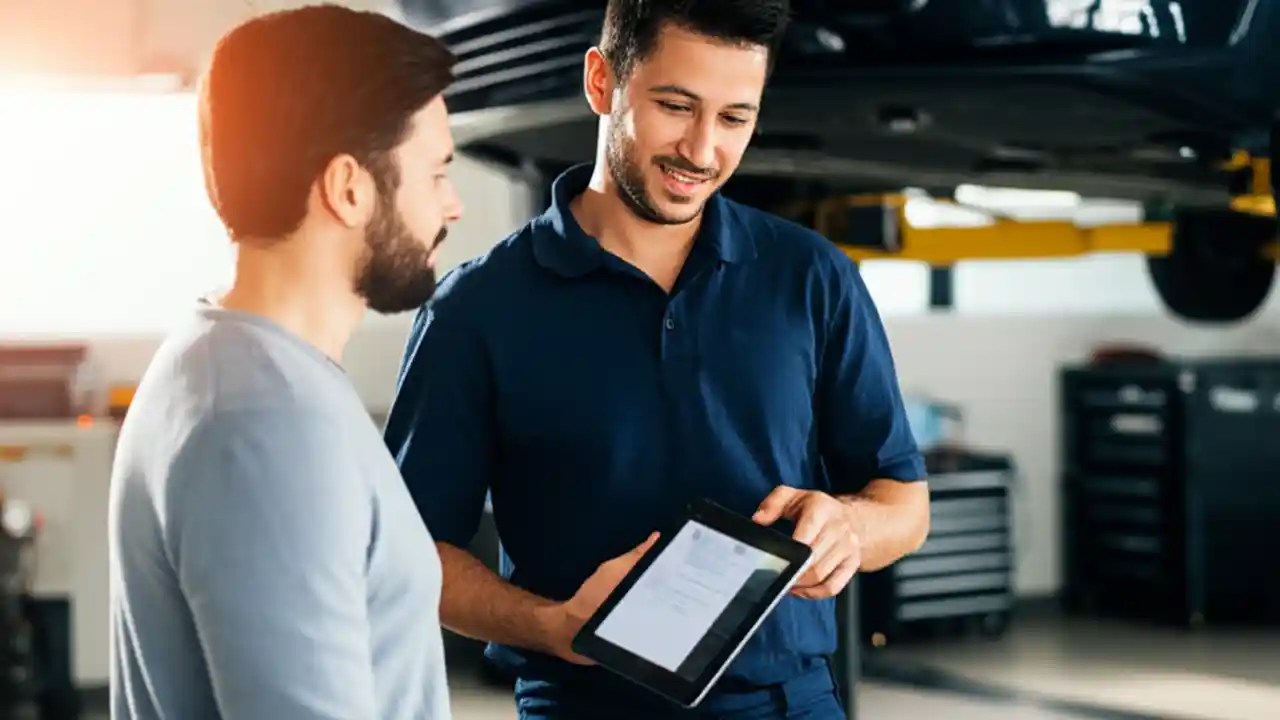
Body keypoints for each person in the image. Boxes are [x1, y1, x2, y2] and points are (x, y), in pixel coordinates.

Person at [384, 0, 931, 717]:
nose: (702, 150)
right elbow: (411, 554)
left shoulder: (811, 276)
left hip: (788, 701)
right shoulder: (475, 309)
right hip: (581, 702)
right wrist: (550, 626)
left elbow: (904, 502)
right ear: (602, 83)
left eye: (735, 118)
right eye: (676, 106)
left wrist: (847, 529)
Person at [108, 6, 466, 719]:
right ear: (349, 187)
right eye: (435, 174)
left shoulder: (234, 366)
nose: (452, 206)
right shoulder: (265, 422)